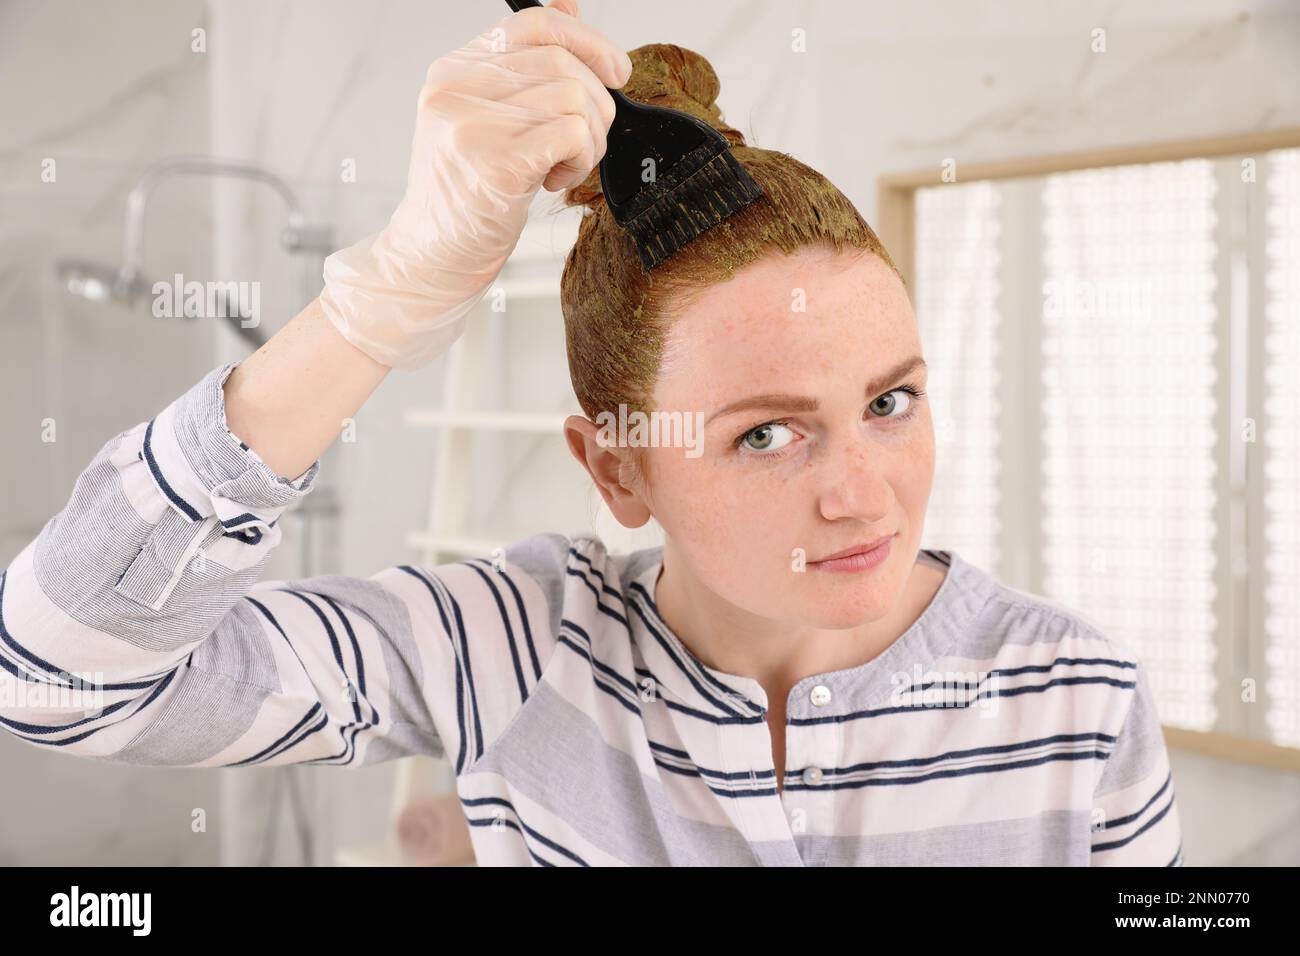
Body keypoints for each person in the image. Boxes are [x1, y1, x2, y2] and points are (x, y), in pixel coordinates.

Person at [0, 0, 1183, 866]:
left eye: (888, 402)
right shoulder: (511, 647)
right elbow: (60, 676)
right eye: (767, 435)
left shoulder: (1074, 700)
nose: (863, 495)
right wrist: (374, 305)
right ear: (616, 465)